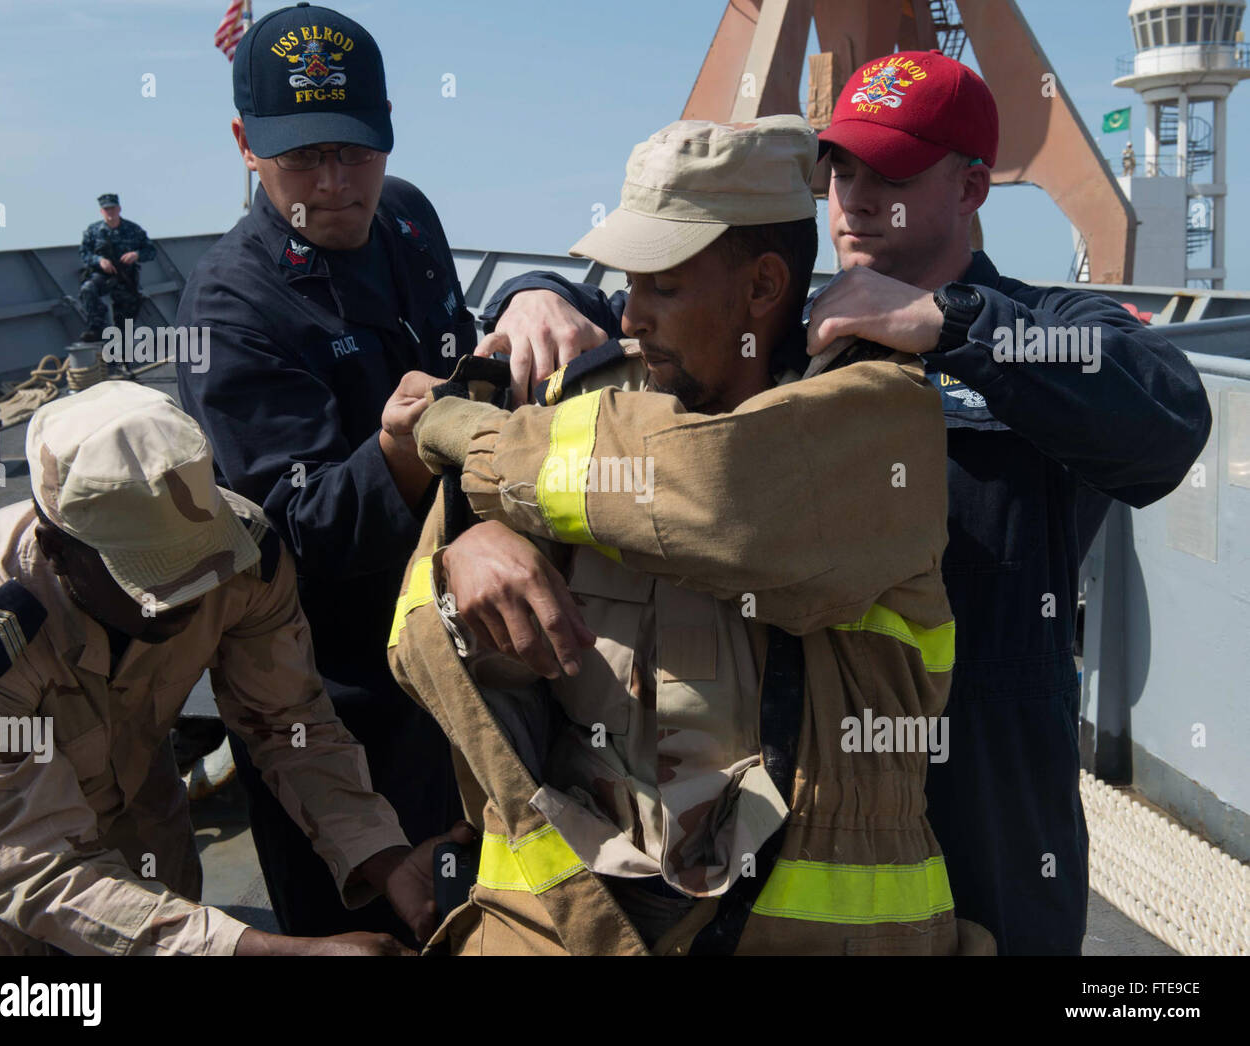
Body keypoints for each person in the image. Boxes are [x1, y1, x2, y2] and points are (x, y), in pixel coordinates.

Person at [472, 50, 1212, 955]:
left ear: (974, 185)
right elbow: (649, 306)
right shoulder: (784, 325)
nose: (856, 198)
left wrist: (951, 326)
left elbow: (1167, 414)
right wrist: (532, 291)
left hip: (984, 783)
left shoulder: (1038, 332)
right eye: (841, 168)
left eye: (892, 172)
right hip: (817, 783)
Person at [389, 116, 994, 955]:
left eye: (663, 288)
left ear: (764, 285)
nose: (628, 315)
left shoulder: (878, 419)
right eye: (626, 284)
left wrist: (467, 436)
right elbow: (412, 634)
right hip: (565, 927)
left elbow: (717, 497)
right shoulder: (571, 410)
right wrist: (462, 559)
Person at [0, 382, 473, 956]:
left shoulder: (245, 554)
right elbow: (28, 863)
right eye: (152, 578)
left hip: (140, 817)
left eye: (199, 566)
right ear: (58, 550)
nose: (189, 597)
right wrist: (267, 952)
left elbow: (291, 725)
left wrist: (387, 859)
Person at [174, 3, 476, 945]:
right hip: (332, 699)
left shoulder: (410, 219)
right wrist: (394, 453)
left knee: (478, 905)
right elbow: (287, 538)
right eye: (302, 159)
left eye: (356, 152)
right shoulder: (231, 306)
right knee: (363, 929)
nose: (336, 186)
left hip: (460, 648)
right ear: (244, 146)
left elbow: (462, 349)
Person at [77, 193, 155, 341]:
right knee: (87, 289)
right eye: (106, 209)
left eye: (112, 208)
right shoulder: (93, 231)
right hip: (103, 275)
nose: (110, 212)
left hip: (125, 278)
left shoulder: (133, 230)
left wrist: (136, 254)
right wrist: (99, 260)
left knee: (126, 316)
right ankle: (96, 327)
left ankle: (122, 348)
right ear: (101, 212)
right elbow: (84, 253)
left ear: (119, 209)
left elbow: (151, 251)